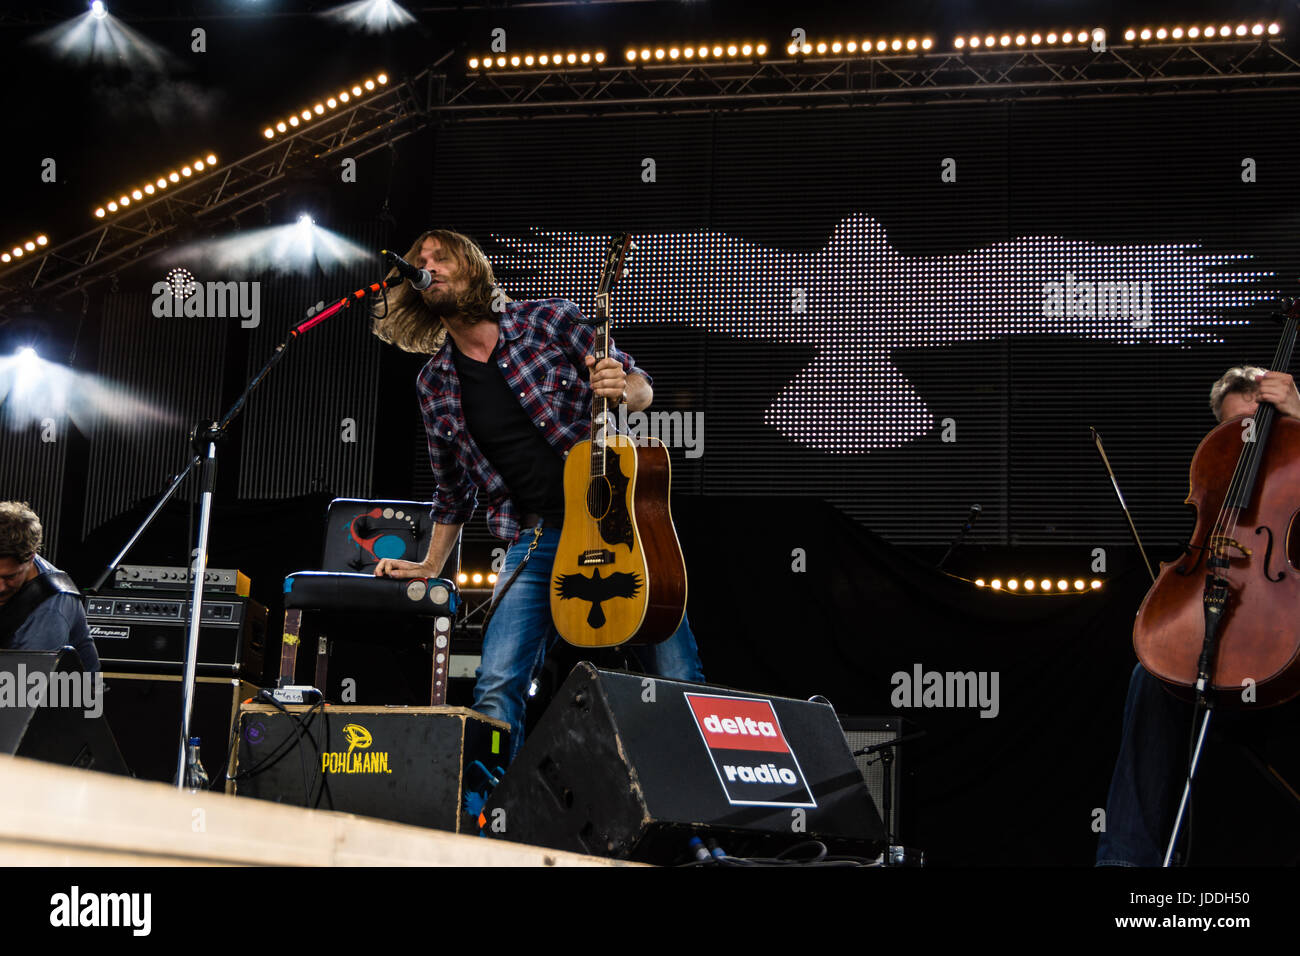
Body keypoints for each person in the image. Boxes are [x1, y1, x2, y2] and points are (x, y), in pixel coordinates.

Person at [369, 229, 704, 761]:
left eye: (441, 257)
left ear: (472, 267)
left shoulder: (546, 321)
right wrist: (432, 564)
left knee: (676, 672)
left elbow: (639, 386)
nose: (429, 266)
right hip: (538, 538)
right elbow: (452, 491)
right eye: (420, 261)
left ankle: (695, 820)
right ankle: (490, 821)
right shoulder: (433, 383)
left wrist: (624, 387)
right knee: (497, 681)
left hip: (617, 527)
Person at [1095, 366, 1300, 866]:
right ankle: (1125, 859)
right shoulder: (1219, 485)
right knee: (1151, 678)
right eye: (1237, 433)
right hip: (1227, 611)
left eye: (1263, 427)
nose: (1252, 443)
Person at [0, 501, 99, 672]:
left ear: (31, 558)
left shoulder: (50, 610)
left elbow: (24, 691)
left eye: (10, 577)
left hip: (53, 693)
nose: (0, 587)